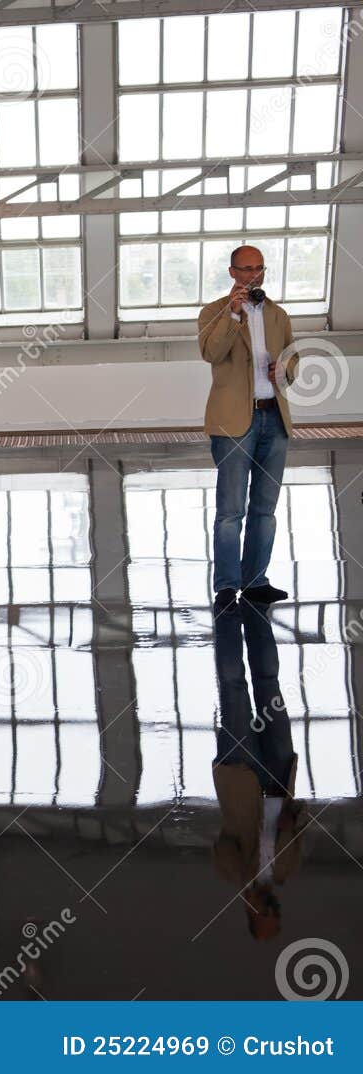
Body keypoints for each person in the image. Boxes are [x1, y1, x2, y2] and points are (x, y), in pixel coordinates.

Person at [199, 244, 300, 615]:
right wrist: (233, 313)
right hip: (233, 423)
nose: (253, 275)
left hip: (274, 418)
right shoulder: (213, 312)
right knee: (230, 512)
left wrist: (284, 371)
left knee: (265, 509)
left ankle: (255, 581)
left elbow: (293, 358)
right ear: (232, 272)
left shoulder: (278, 314)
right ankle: (227, 586)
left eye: (258, 269)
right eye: (245, 269)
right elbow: (212, 353)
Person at [211, 599, 308, 941]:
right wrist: (291, 820)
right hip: (278, 775)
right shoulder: (287, 869)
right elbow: (302, 817)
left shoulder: (231, 874)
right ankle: (256, 608)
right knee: (269, 683)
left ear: (251, 913)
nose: (271, 909)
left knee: (233, 688)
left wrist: (248, 886)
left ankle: (226, 613)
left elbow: (224, 846)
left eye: (264, 915)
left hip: (241, 774)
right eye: (275, 913)